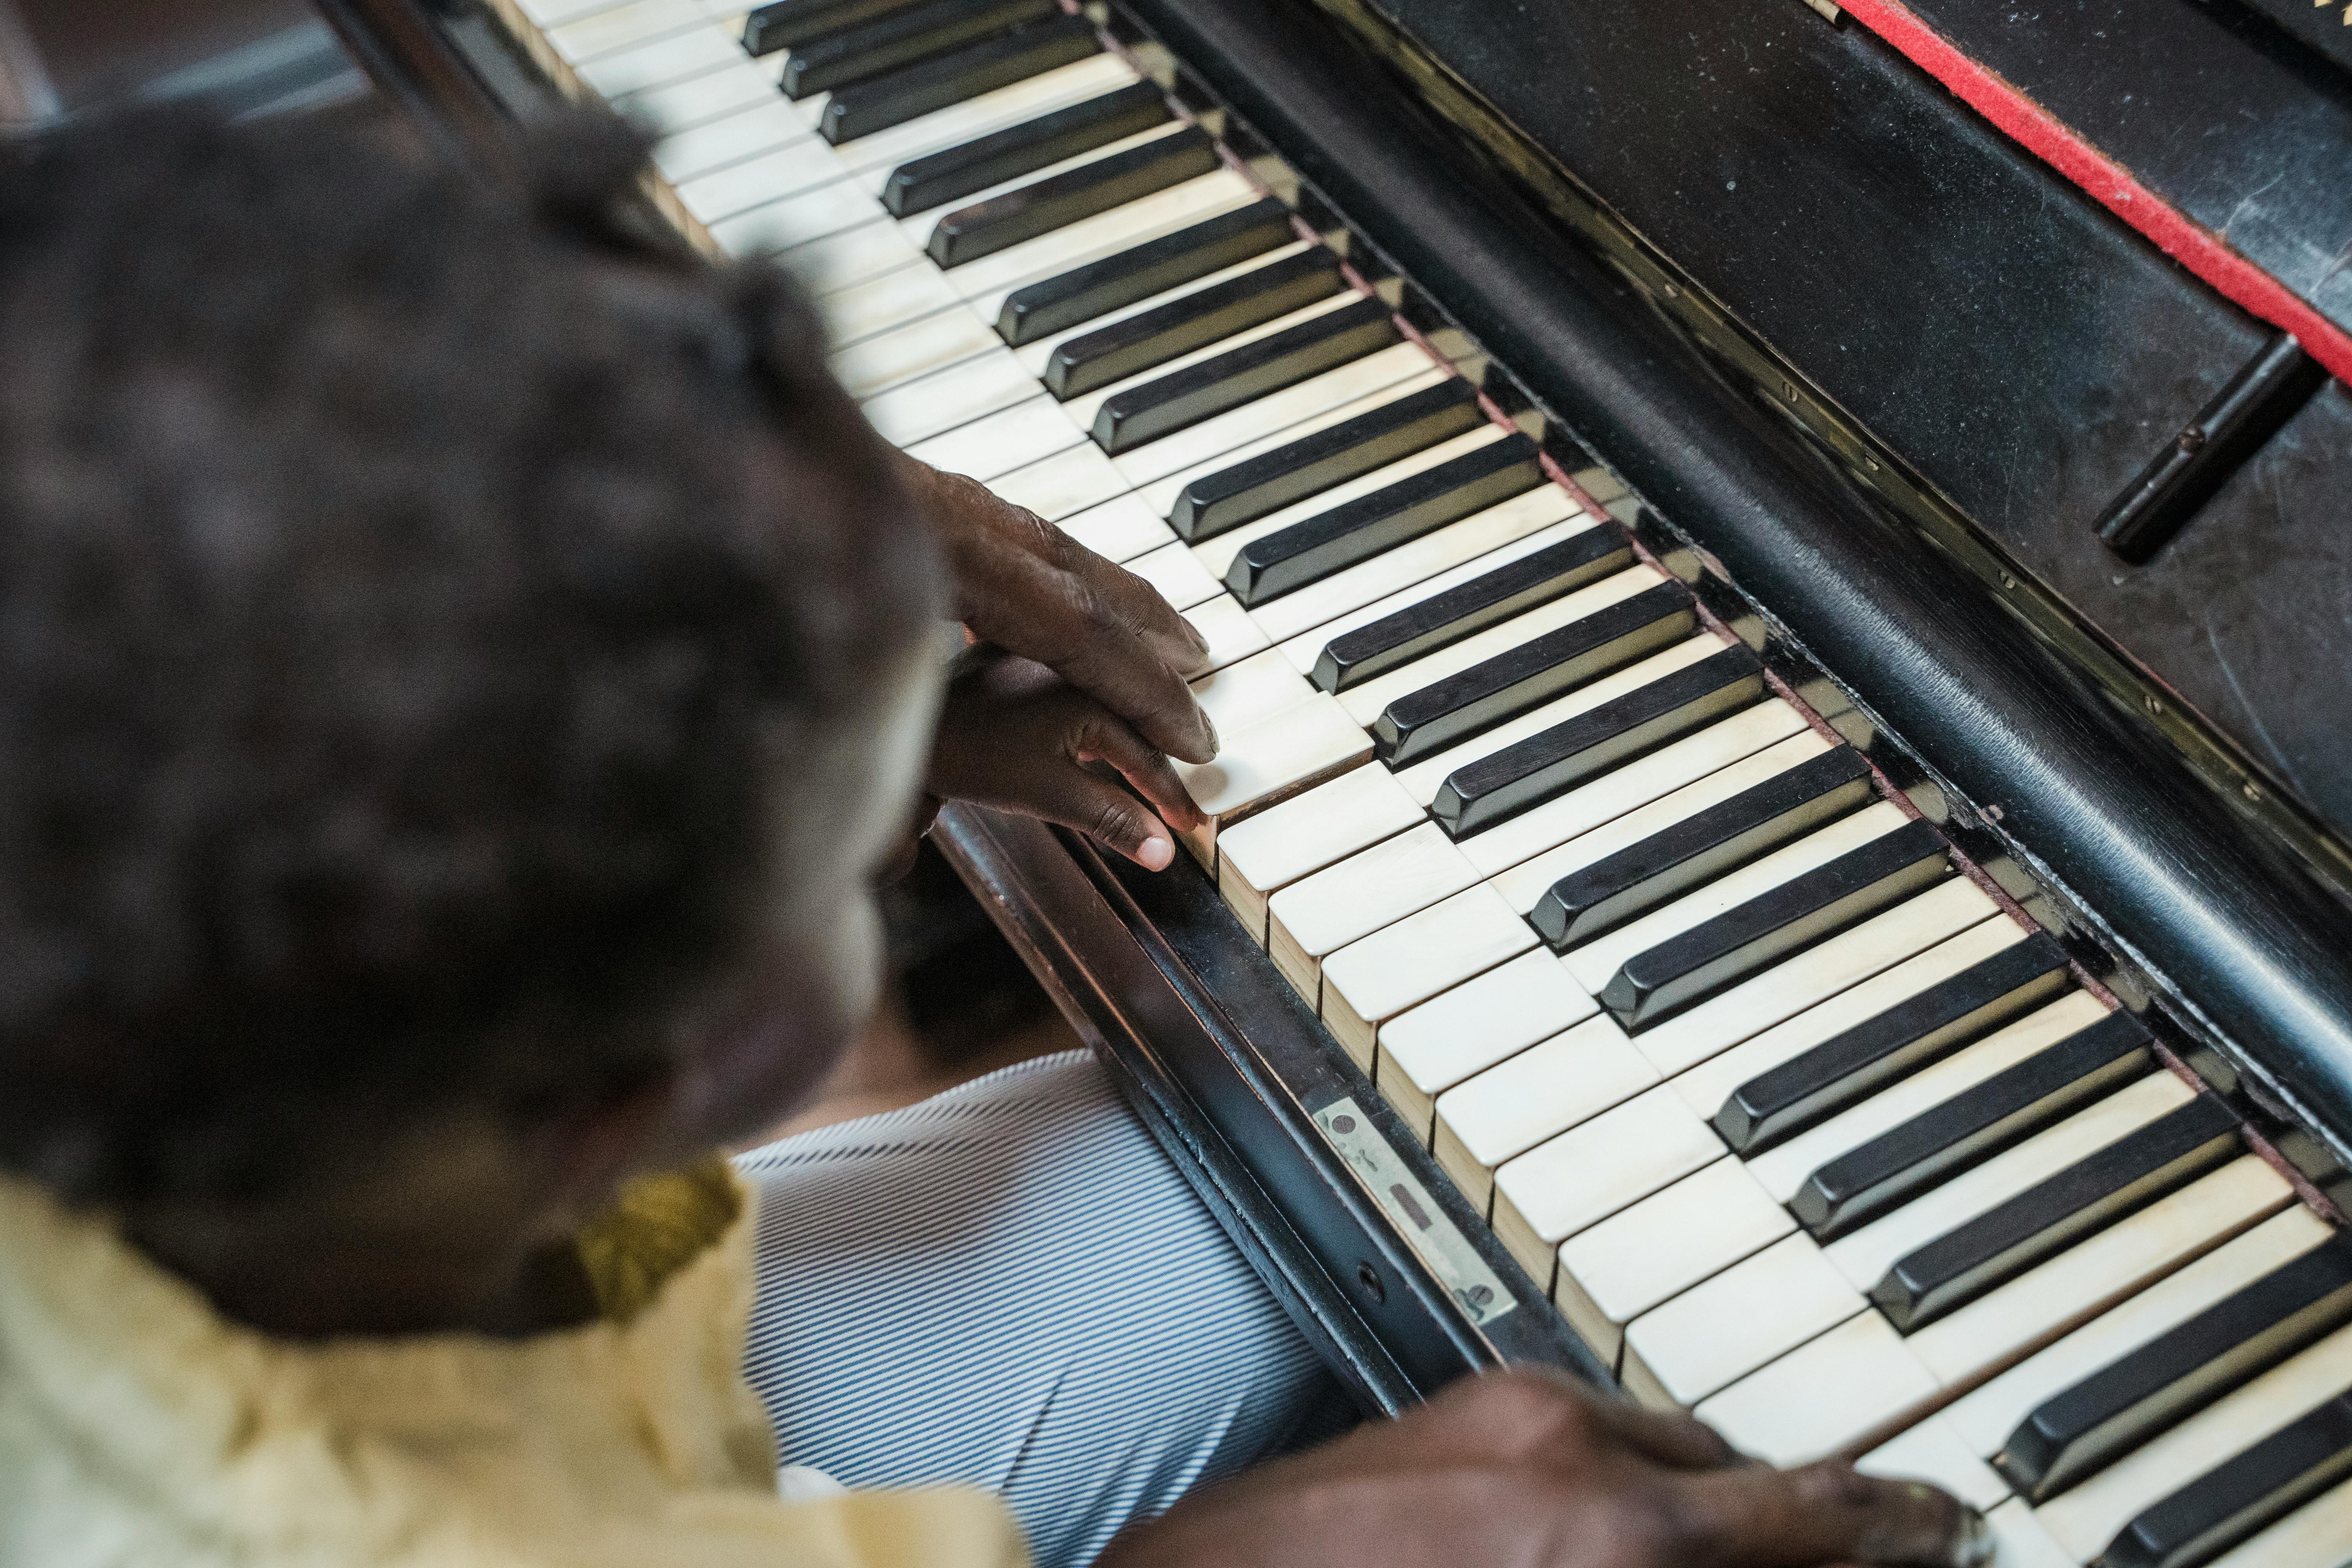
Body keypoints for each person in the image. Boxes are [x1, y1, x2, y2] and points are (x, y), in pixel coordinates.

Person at [0, 105, 1988, 1568]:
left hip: (574, 1336)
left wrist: (712, 520)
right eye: (848, 844)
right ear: (669, 1079)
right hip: (595, 1486)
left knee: (1382, 1201)